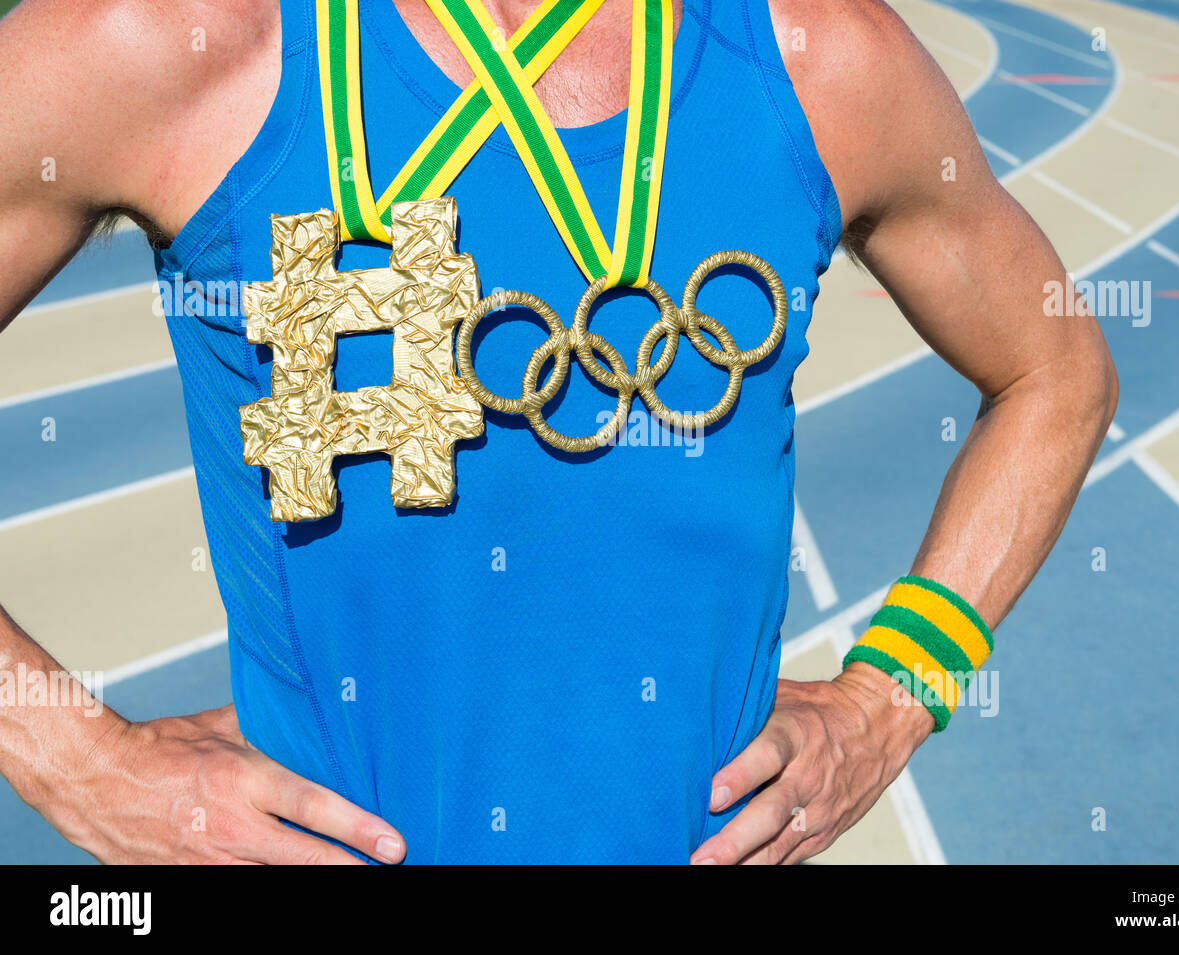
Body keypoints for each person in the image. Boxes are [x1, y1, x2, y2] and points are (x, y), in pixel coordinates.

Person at [0, 0, 1117, 864]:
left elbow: (1055, 369)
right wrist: (78, 760)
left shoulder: (819, 60)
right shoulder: (170, 43)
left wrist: (893, 696)